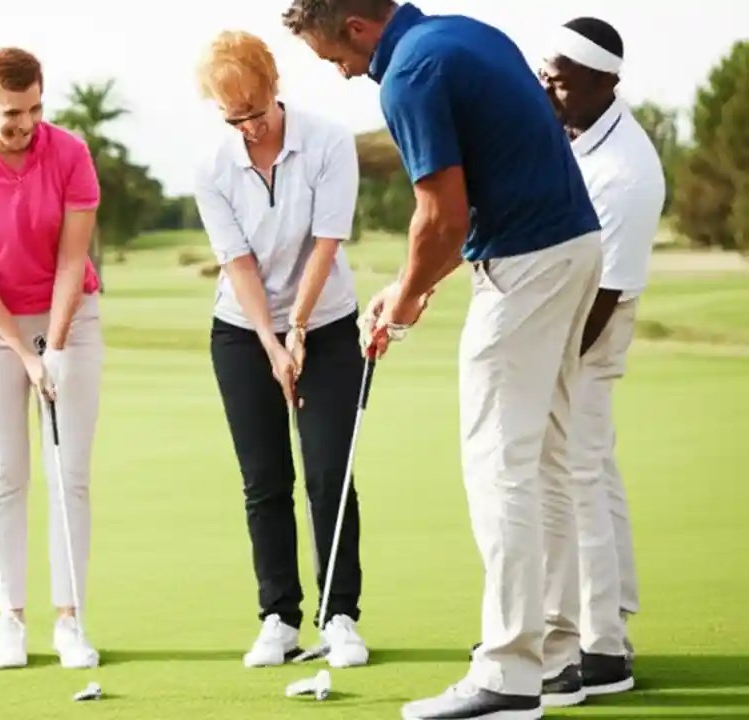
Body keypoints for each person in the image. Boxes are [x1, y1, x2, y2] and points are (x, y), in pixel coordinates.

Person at [282, 2, 603, 718]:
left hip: (529, 266)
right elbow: (493, 186)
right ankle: (555, 657)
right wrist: (413, 286)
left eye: (334, 56)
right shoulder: (462, 33)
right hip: (572, 247)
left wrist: (401, 299)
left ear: (358, 28)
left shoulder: (410, 72)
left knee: (499, 463)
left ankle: (507, 673)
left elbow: (442, 216)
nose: (340, 71)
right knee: (541, 458)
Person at [192, 29, 370, 670]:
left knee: (330, 474)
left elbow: (326, 244)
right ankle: (279, 617)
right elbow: (238, 263)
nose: (246, 127)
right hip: (242, 331)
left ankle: (339, 615)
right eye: (231, 116)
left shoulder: (327, 142)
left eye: (255, 112)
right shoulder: (212, 165)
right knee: (265, 481)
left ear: (276, 91)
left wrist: (298, 331)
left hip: (326, 322)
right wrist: (271, 342)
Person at [0, 46, 103, 671]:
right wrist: (27, 357)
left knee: (70, 475)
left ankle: (70, 622)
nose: (26, 124)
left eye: (35, 108)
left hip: (71, 317)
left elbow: (69, 260)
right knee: (4, 474)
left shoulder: (71, 155)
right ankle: (10, 621)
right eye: (12, 113)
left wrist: (54, 347)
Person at [539, 16, 666, 698]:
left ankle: (602, 651)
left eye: (557, 81)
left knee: (574, 475)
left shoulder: (625, 172)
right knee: (592, 470)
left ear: (603, 82)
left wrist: (551, 368)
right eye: (544, 75)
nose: (546, 90)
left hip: (593, 328)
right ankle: (604, 623)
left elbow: (605, 295)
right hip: (573, 319)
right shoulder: (579, 132)